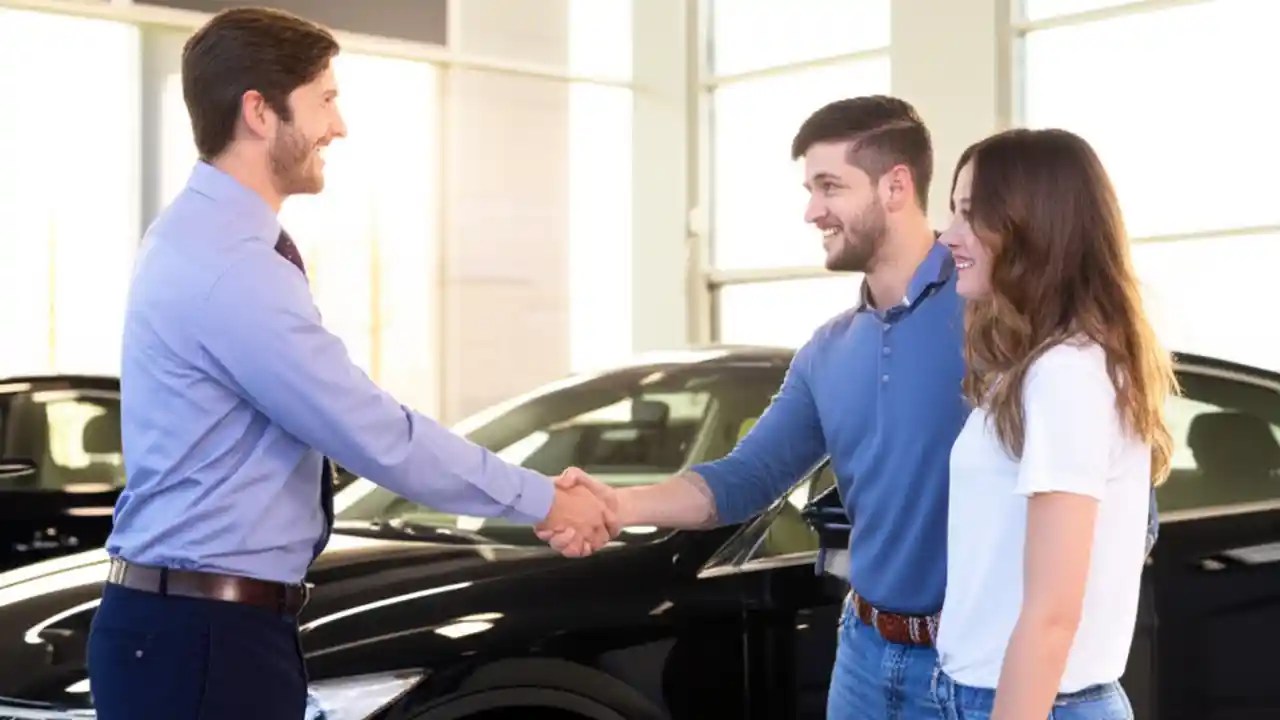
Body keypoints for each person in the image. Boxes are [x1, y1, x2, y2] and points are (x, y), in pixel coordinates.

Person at [86, 8, 613, 720]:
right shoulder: (228, 265)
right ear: (259, 112)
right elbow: (373, 433)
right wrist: (545, 501)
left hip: (202, 627)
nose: (339, 126)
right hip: (206, 638)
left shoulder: (201, 238)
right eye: (325, 99)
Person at [538, 95, 969, 719]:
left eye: (830, 187)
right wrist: (616, 504)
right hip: (864, 655)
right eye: (809, 188)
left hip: (972, 663)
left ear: (896, 186)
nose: (811, 211)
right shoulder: (828, 350)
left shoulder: (990, 315)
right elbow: (746, 479)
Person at [932, 128, 1176, 719]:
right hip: (993, 694)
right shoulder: (1045, 366)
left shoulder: (1067, 375)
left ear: (1029, 228)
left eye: (970, 216)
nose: (947, 238)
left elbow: (1052, 615)